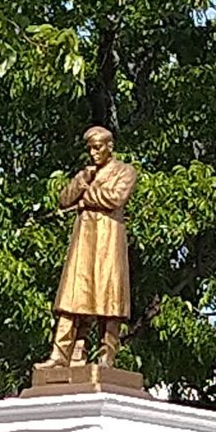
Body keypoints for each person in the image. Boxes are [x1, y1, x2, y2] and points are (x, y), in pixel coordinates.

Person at [45, 125, 137, 368]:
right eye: (90, 149)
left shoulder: (125, 171)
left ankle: (107, 356)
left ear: (109, 147)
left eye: (97, 148)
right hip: (84, 239)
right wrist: (81, 182)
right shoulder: (86, 174)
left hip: (108, 239)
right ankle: (60, 354)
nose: (93, 153)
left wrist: (87, 197)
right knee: (72, 296)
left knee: (109, 297)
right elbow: (64, 199)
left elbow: (116, 198)